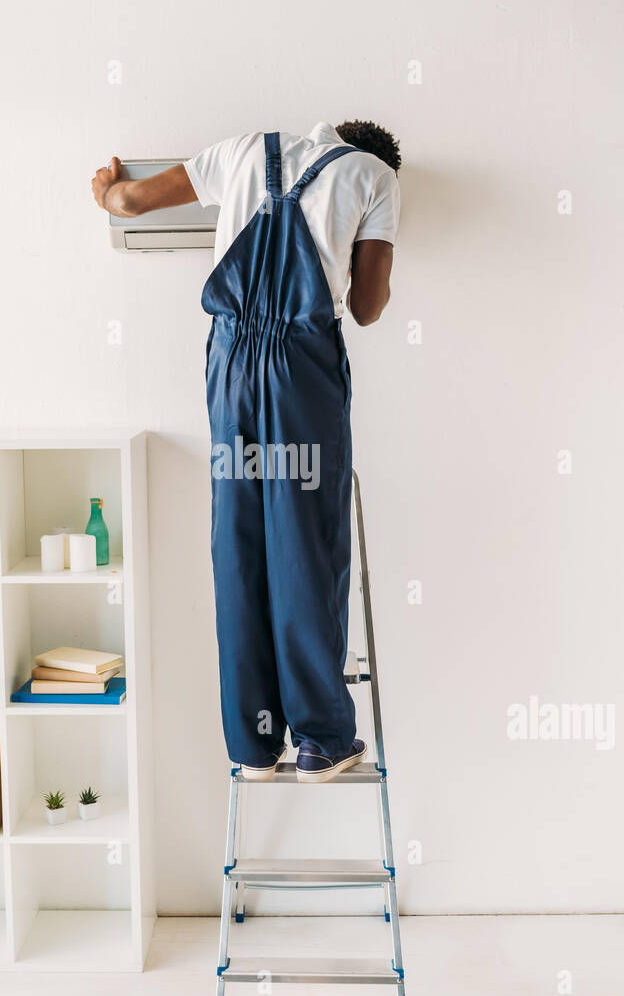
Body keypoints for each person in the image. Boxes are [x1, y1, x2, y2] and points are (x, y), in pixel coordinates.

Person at [92, 121, 401, 782]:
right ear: (366, 153)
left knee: (237, 540)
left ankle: (253, 743)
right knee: (304, 541)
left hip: (229, 366)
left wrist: (106, 187)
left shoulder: (238, 152)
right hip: (301, 372)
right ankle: (321, 739)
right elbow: (369, 306)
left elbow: (130, 204)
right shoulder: (374, 177)